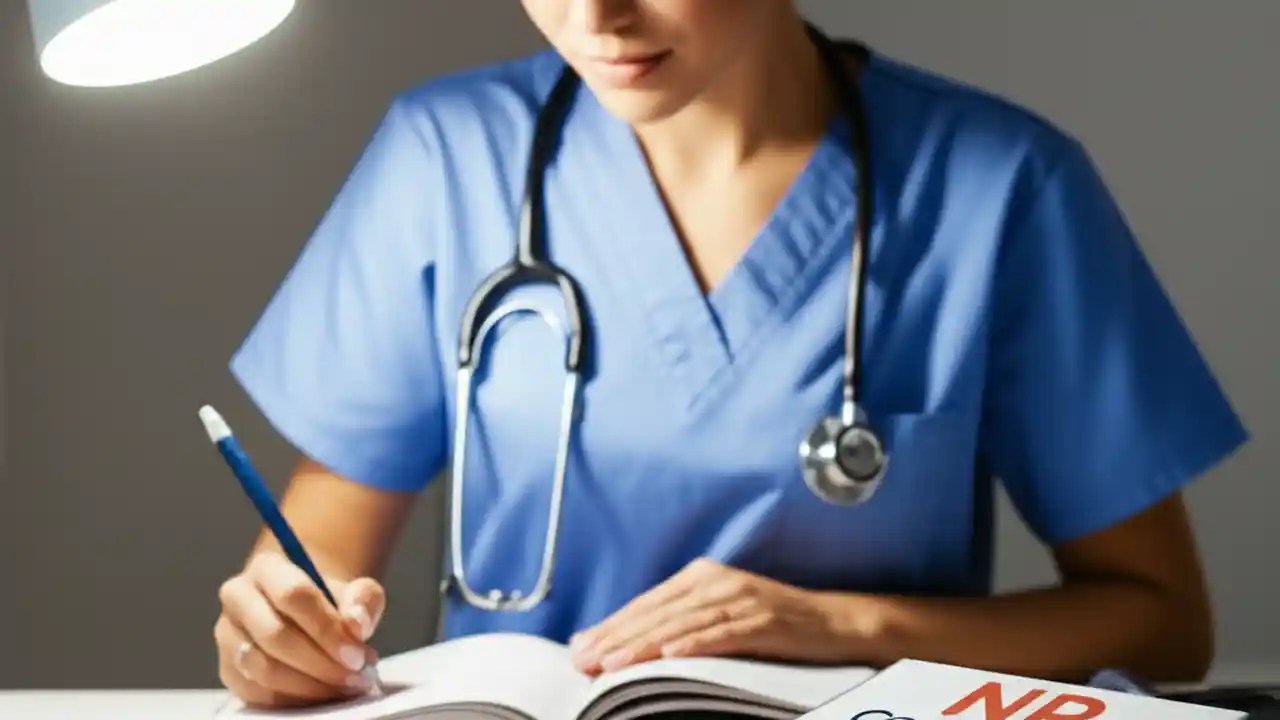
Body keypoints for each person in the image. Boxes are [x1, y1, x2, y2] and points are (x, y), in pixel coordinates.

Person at [212, 0, 1249, 709]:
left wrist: (841, 623)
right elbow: (312, 563)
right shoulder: (445, 155)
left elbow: (1159, 627)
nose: (597, 14)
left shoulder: (998, 187)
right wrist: (281, 633)